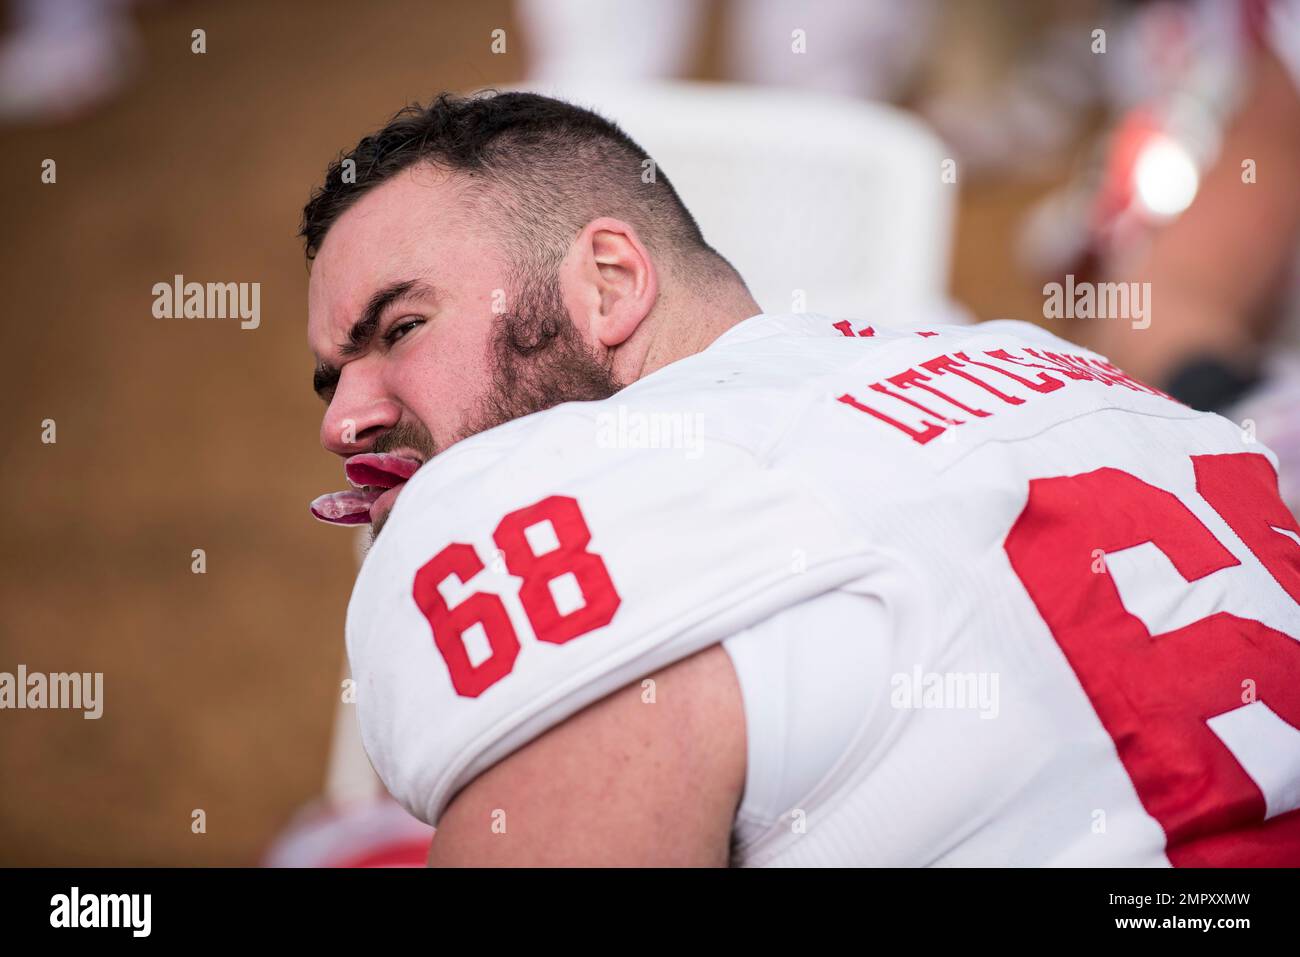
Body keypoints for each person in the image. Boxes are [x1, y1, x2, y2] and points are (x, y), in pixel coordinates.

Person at [302, 91, 1300, 866]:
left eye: (401, 329)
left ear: (607, 282)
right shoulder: (1062, 372)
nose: (343, 422)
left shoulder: (560, 506)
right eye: (331, 378)